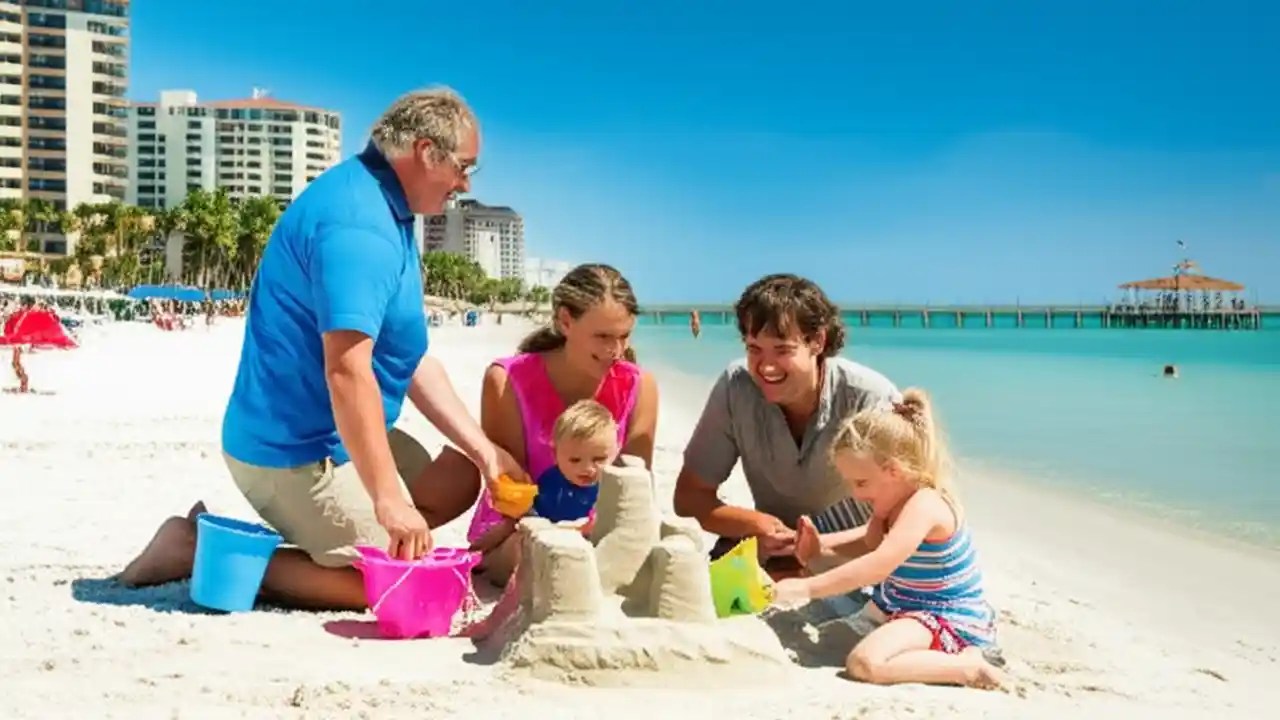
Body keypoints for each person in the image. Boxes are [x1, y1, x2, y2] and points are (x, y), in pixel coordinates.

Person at [118, 87, 523, 610]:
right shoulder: (360, 226)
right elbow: (347, 374)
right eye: (464, 167)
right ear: (426, 153)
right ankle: (193, 547)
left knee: (460, 478)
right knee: (389, 584)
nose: (464, 183)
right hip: (293, 452)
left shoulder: (387, 208)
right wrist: (387, 497)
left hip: (335, 434)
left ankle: (355, 533)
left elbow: (411, 357)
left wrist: (485, 451)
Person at [459, 263, 658, 637]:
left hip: (602, 535)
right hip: (521, 533)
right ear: (565, 321)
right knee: (545, 555)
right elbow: (508, 494)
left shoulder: (640, 386)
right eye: (602, 336)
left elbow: (634, 490)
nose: (616, 351)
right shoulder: (508, 381)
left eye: (624, 336)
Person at [771, 389, 1003, 690]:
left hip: (940, 613)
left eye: (862, 483)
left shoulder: (925, 504)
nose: (856, 494)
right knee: (832, 595)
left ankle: (966, 667)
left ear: (893, 470)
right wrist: (822, 545)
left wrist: (806, 587)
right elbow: (870, 540)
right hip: (901, 603)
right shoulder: (892, 501)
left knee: (864, 664)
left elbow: (880, 563)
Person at [673, 273, 899, 579]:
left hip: (861, 555)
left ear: (817, 341)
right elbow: (688, 496)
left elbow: (910, 515)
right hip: (777, 549)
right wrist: (752, 523)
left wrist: (819, 549)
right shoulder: (736, 387)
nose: (765, 366)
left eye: (782, 350)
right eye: (754, 349)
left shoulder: (869, 399)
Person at [470, 398, 620, 582]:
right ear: (555, 455)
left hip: (580, 558)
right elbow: (528, 520)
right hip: (544, 546)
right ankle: (482, 562)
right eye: (575, 460)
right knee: (517, 538)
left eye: (599, 459)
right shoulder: (551, 482)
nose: (588, 468)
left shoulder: (611, 488)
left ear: (615, 452)